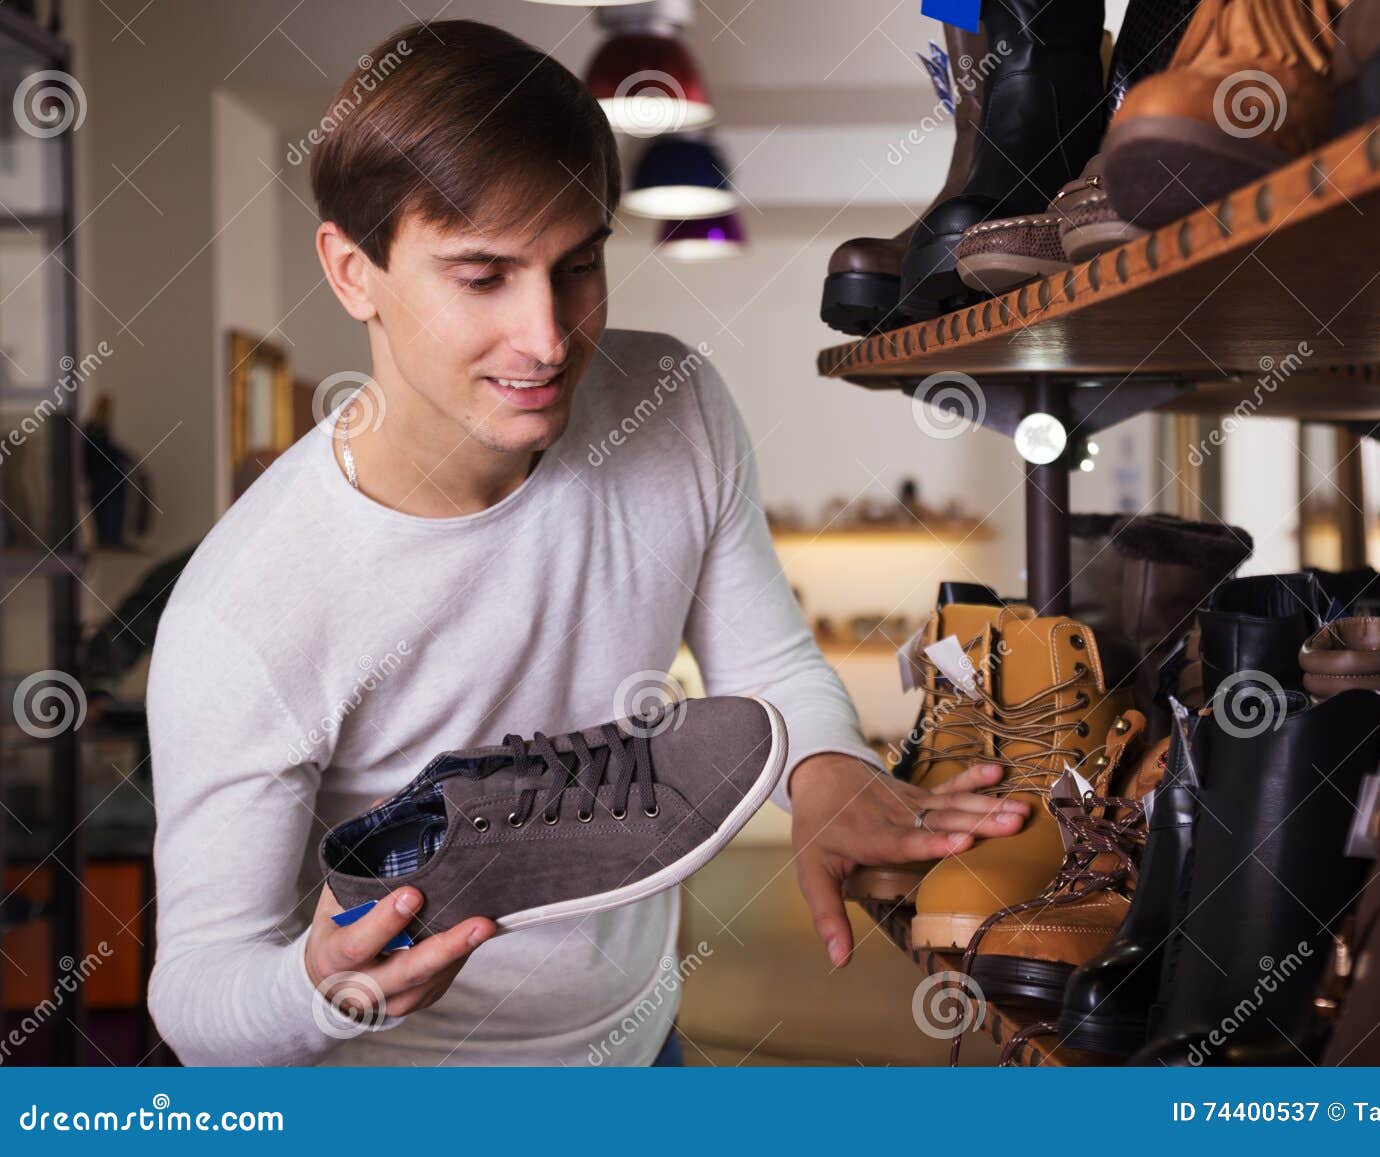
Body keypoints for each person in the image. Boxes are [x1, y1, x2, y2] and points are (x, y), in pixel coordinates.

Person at [145, 19, 1025, 1066]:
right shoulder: (246, 606)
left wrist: (829, 768)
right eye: (482, 276)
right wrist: (319, 987)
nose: (547, 337)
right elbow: (196, 990)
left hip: (641, 1050)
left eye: (578, 264)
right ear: (352, 271)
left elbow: (770, 665)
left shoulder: (672, 401)